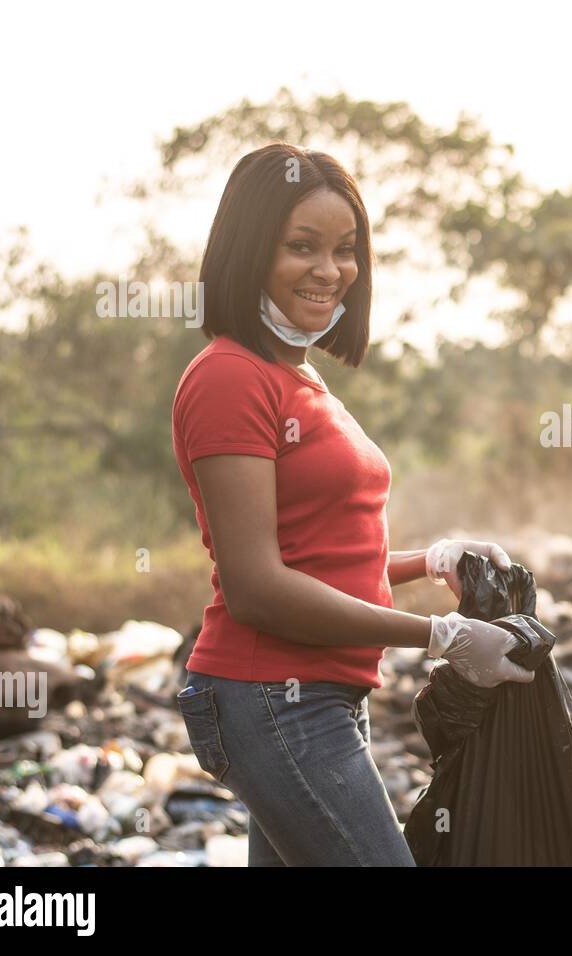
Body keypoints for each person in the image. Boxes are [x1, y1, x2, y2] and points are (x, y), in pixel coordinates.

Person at [170, 142, 534, 866]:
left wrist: (430, 560)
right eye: (301, 246)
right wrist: (442, 635)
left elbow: (320, 557)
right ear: (249, 250)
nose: (330, 270)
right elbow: (257, 589)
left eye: (345, 249)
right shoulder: (230, 379)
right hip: (270, 697)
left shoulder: (297, 374)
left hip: (318, 697)